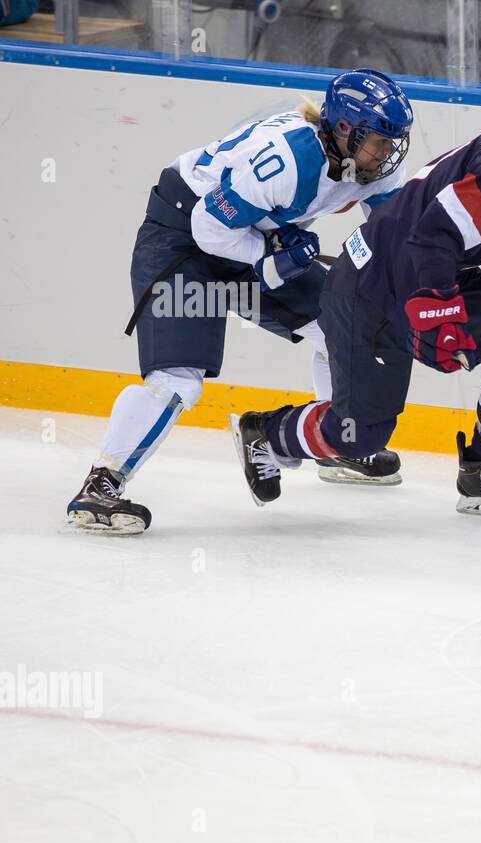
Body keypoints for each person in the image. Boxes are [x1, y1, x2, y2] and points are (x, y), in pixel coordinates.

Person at [229, 73, 481, 517]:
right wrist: (439, 308)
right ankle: (266, 433)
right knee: (359, 434)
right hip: (373, 284)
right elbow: (432, 237)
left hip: (438, 272)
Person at [66, 69, 414, 534]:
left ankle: (338, 444)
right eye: (380, 140)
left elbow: (391, 240)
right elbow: (209, 227)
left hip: (259, 237)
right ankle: (101, 484)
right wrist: (267, 261)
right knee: (177, 380)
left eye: (395, 141)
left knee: (345, 328)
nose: (389, 152)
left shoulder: (372, 164)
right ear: (346, 130)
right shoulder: (286, 160)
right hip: (183, 237)